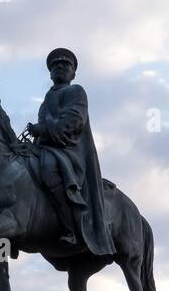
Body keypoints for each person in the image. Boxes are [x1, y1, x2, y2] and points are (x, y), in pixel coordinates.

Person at [26, 48, 115, 254]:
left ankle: (71, 227)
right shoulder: (46, 100)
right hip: (49, 147)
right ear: (49, 73)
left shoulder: (76, 92)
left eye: (65, 65)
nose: (60, 67)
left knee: (48, 168)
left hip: (71, 151)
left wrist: (43, 130)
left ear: (73, 73)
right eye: (55, 65)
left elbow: (73, 122)